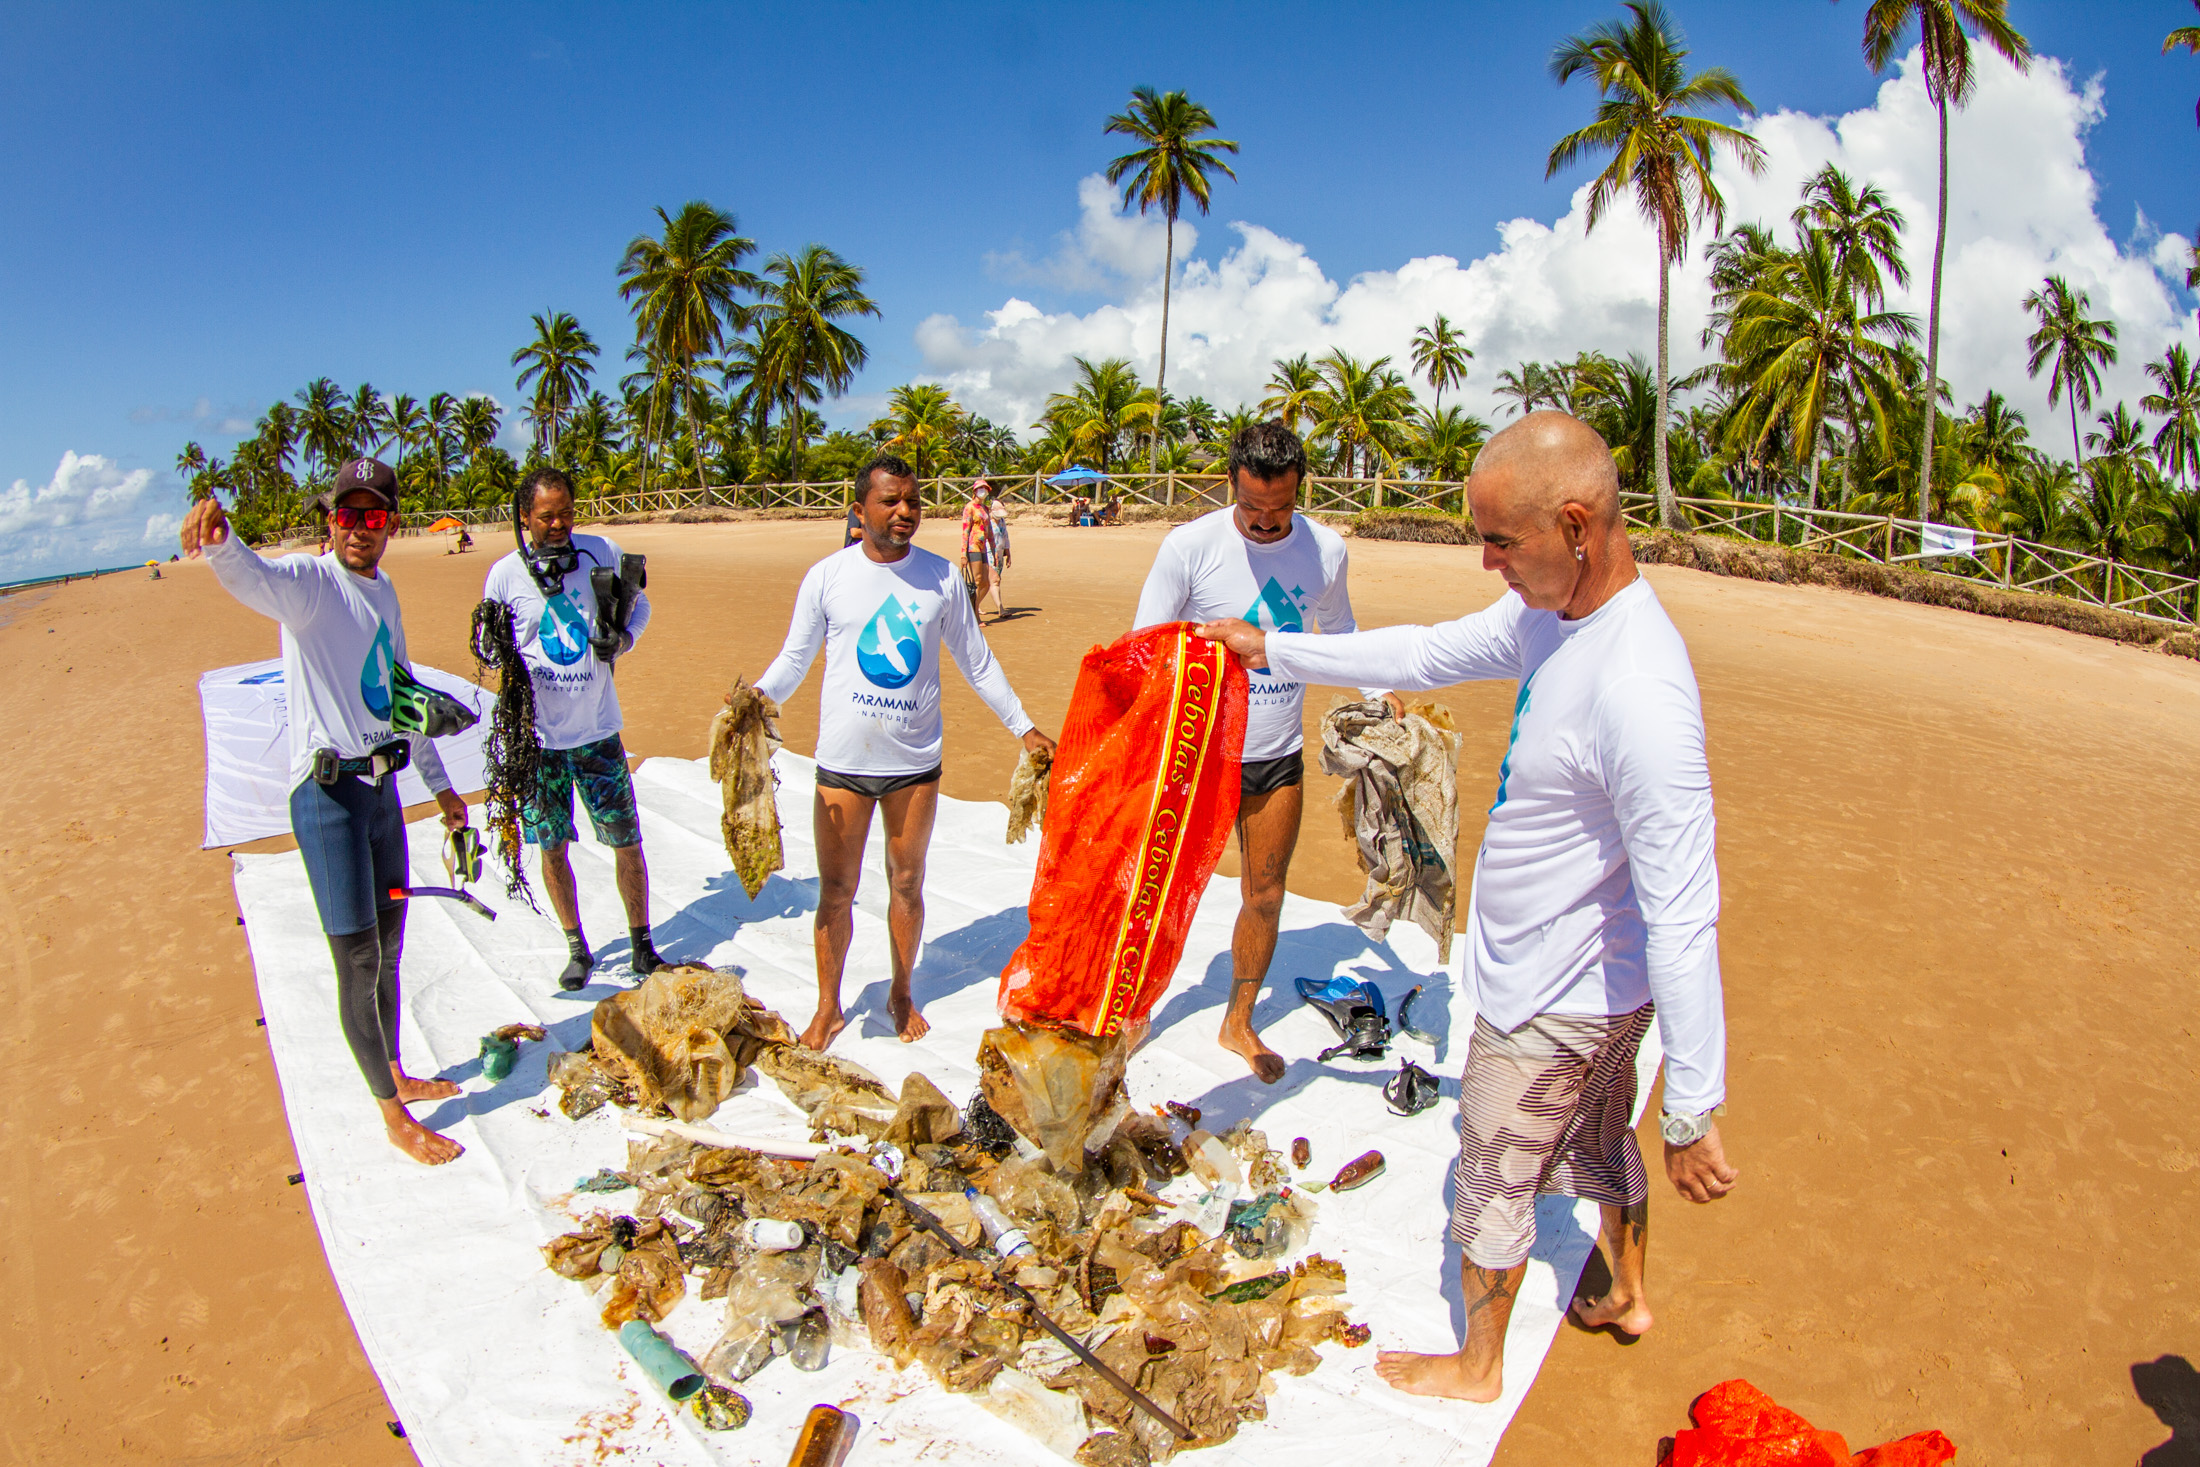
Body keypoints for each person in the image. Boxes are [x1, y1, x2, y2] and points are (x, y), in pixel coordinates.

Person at [1198, 411, 1737, 1402]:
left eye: (1499, 540)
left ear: (1575, 524)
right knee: (1599, 1142)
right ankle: (1628, 1293)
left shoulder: (1640, 688)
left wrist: (1696, 1103)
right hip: (1603, 995)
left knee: (1490, 1177)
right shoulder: (1555, 614)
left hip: (1552, 995)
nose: (1487, 563)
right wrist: (1270, 649)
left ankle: (1477, 1366)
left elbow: (1685, 908)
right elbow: (1425, 653)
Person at [180, 459, 472, 1166]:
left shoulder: (387, 593)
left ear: (391, 525)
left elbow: (403, 696)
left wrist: (440, 789)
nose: (358, 528)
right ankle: (389, 1110)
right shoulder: (312, 586)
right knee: (359, 956)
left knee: (393, 944)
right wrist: (222, 543)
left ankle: (393, 1066)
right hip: (327, 798)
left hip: (381, 794)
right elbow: (256, 578)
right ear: (331, 520)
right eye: (347, 514)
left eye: (373, 516)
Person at [747, 454, 1056, 1050]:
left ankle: (901, 990)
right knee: (835, 891)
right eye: (890, 501)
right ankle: (828, 1007)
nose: (905, 512)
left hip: (914, 765)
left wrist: (1024, 727)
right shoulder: (827, 577)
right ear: (858, 510)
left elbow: (977, 662)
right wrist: (755, 701)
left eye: (912, 501)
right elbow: (793, 660)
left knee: (907, 882)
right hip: (842, 764)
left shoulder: (941, 578)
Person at [1134, 420, 1395, 1083]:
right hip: (1197, 752)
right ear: (1231, 484)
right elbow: (1147, 645)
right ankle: (1135, 1009)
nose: (1267, 524)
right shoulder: (1188, 547)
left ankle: (1238, 1017)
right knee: (1164, 890)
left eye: (1282, 510)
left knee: (1267, 894)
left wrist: (1379, 691)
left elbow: (1339, 629)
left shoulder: (1326, 549)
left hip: (1276, 752)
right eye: (1252, 509)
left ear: (1299, 491)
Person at [481, 467, 664, 991]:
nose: (558, 524)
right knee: (552, 846)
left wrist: (624, 639)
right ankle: (576, 948)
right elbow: (492, 645)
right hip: (539, 744)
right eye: (546, 517)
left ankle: (641, 945)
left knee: (626, 842)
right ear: (524, 518)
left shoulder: (601, 550)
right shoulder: (505, 574)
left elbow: (641, 603)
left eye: (565, 513)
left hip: (599, 732)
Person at [961, 480, 1006, 622]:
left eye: (985, 489)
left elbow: (990, 533)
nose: (983, 492)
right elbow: (965, 531)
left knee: (986, 582)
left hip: (983, 548)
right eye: (981, 489)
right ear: (974, 491)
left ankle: (971, 607)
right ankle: (975, 616)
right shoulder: (970, 508)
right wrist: (963, 554)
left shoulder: (985, 509)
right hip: (973, 547)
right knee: (977, 580)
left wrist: (993, 552)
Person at [989, 492, 1013, 613]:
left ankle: (975, 606)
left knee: (992, 581)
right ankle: (1000, 608)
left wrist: (1008, 553)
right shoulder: (987, 522)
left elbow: (1005, 537)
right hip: (989, 554)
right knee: (995, 580)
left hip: (1000, 553)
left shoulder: (1002, 521)